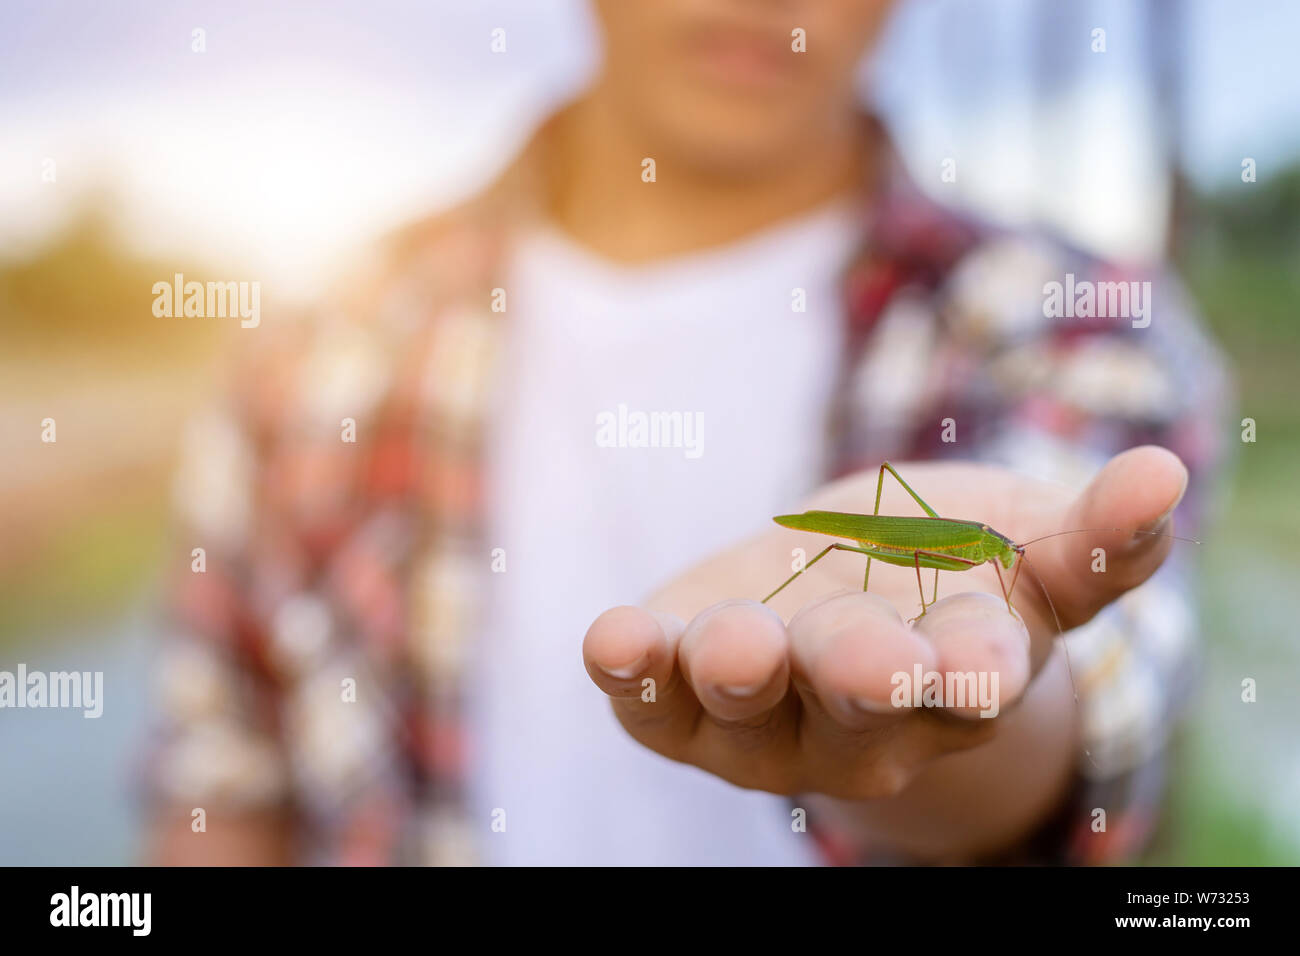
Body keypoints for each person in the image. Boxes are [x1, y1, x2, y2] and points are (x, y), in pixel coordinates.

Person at [148, 0, 1229, 865]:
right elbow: (219, 781)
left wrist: (965, 706)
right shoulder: (317, 338)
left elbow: (1075, 712)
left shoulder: (1067, 315)